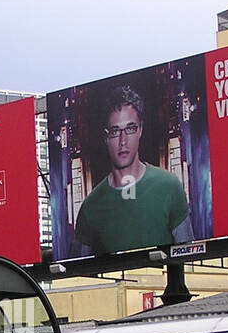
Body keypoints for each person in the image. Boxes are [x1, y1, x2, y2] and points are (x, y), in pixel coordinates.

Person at [73, 85, 194, 256]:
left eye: (130, 128)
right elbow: (78, 274)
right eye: (115, 131)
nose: (123, 141)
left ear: (140, 130)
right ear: (105, 137)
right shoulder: (90, 207)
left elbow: (190, 256)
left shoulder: (169, 186)